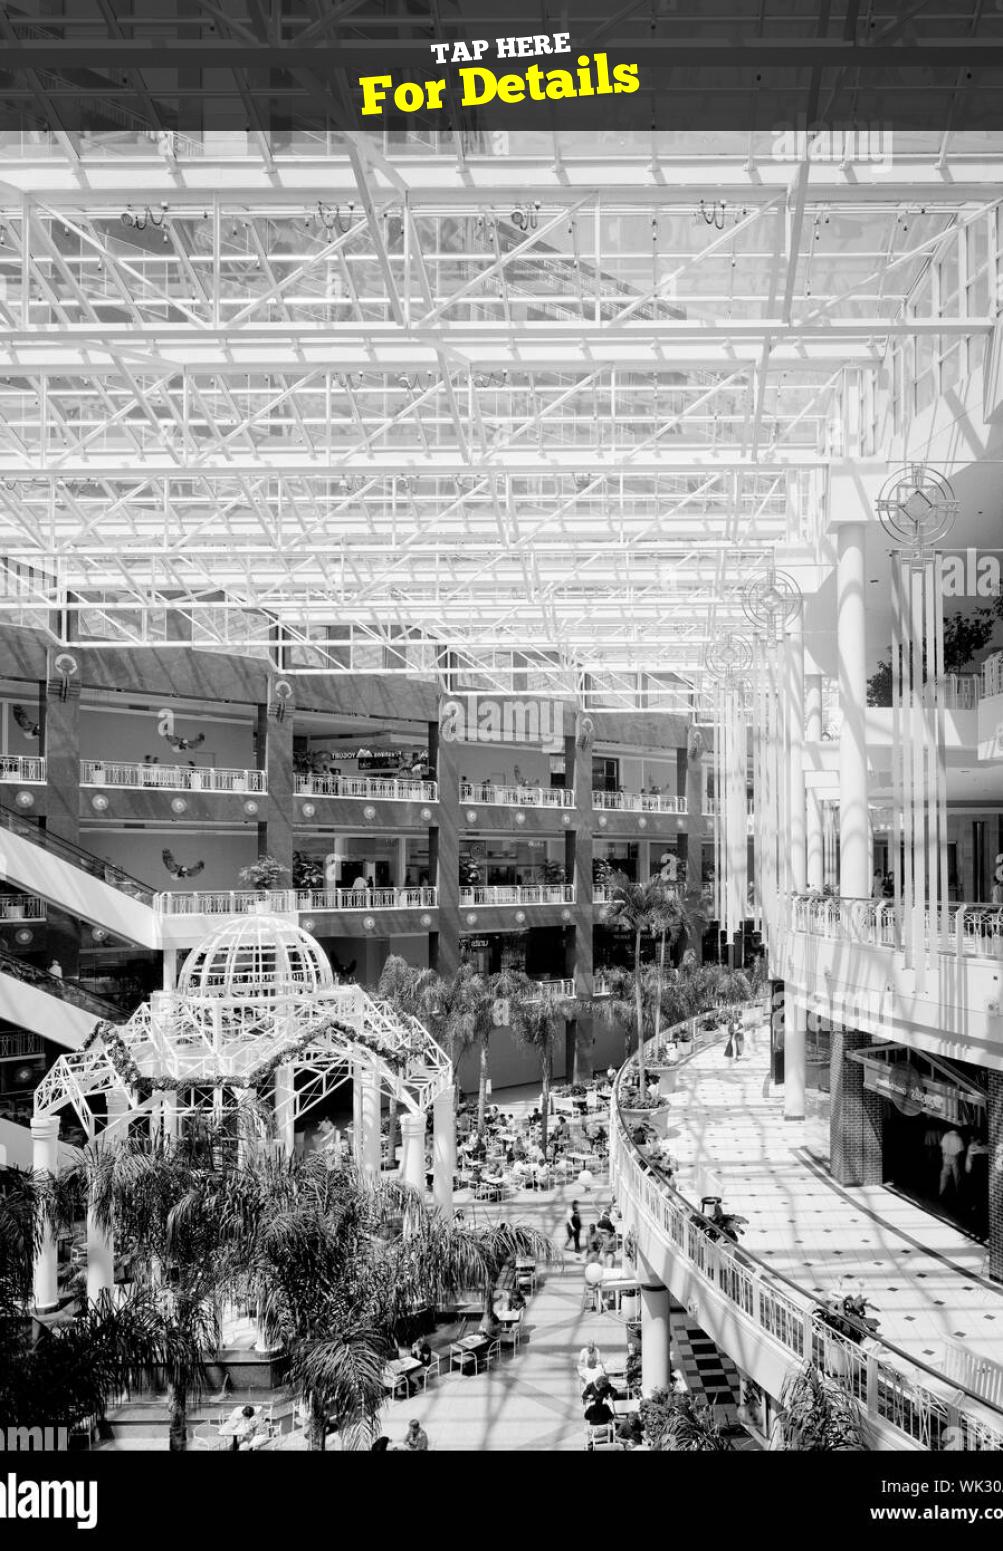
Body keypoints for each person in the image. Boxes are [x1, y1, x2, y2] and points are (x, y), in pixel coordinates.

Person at [940, 1127, 966, 1196]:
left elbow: (942, 1146)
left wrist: (943, 1155)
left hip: (945, 1156)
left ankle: (941, 1192)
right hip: (954, 1157)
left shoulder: (946, 1135)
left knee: (944, 1175)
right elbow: (961, 1150)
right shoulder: (958, 1138)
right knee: (956, 1176)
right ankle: (958, 1192)